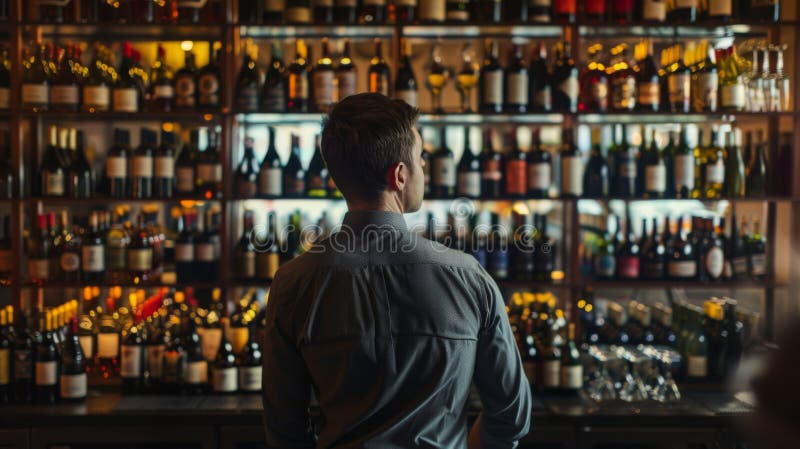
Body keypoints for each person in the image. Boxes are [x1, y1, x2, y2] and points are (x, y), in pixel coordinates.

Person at [262, 93, 532, 448]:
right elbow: (511, 415)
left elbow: (284, 429)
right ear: (400, 175)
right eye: (420, 158)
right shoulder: (468, 277)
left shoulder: (294, 282)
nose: (424, 168)